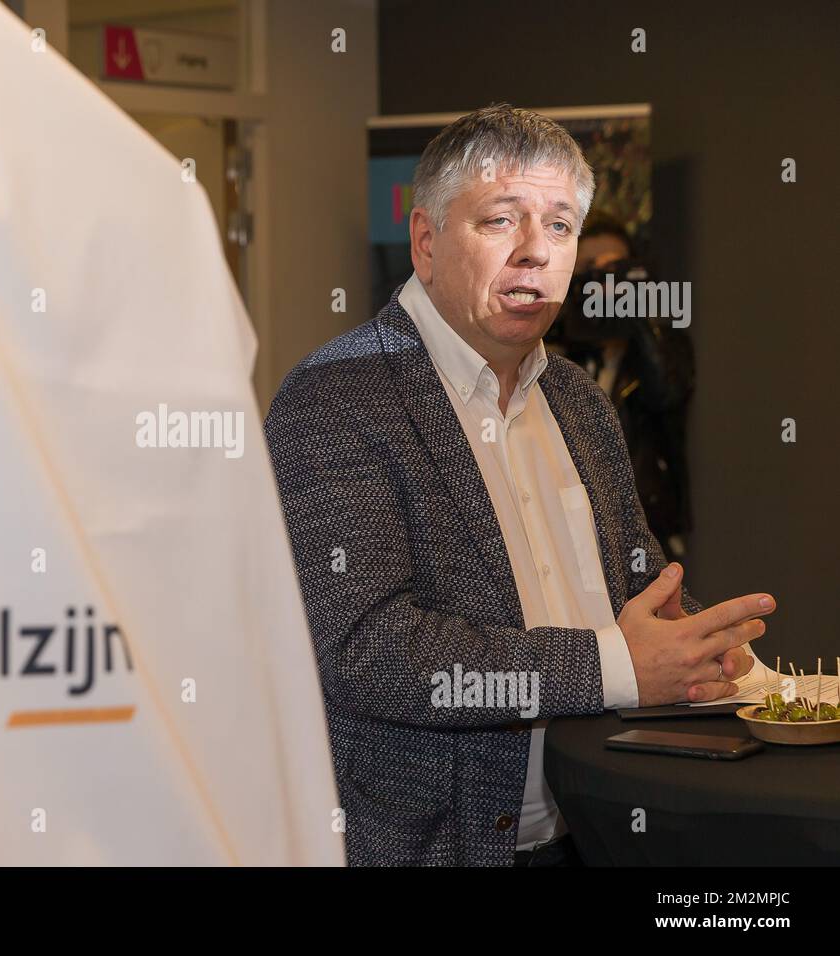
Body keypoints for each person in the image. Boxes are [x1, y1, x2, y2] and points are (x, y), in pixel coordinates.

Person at [264, 104, 774, 867]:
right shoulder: (336, 399)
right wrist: (616, 667)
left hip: (591, 833)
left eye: (560, 225)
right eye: (501, 221)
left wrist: (721, 658)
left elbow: (639, 586)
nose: (536, 252)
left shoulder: (578, 401)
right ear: (427, 241)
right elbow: (369, 652)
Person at [546, 216, 695, 557]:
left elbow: (666, 391)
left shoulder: (664, 344)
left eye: (614, 270)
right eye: (589, 270)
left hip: (647, 526)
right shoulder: (551, 350)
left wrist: (636, 314)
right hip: (567, 532)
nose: (604, 284)